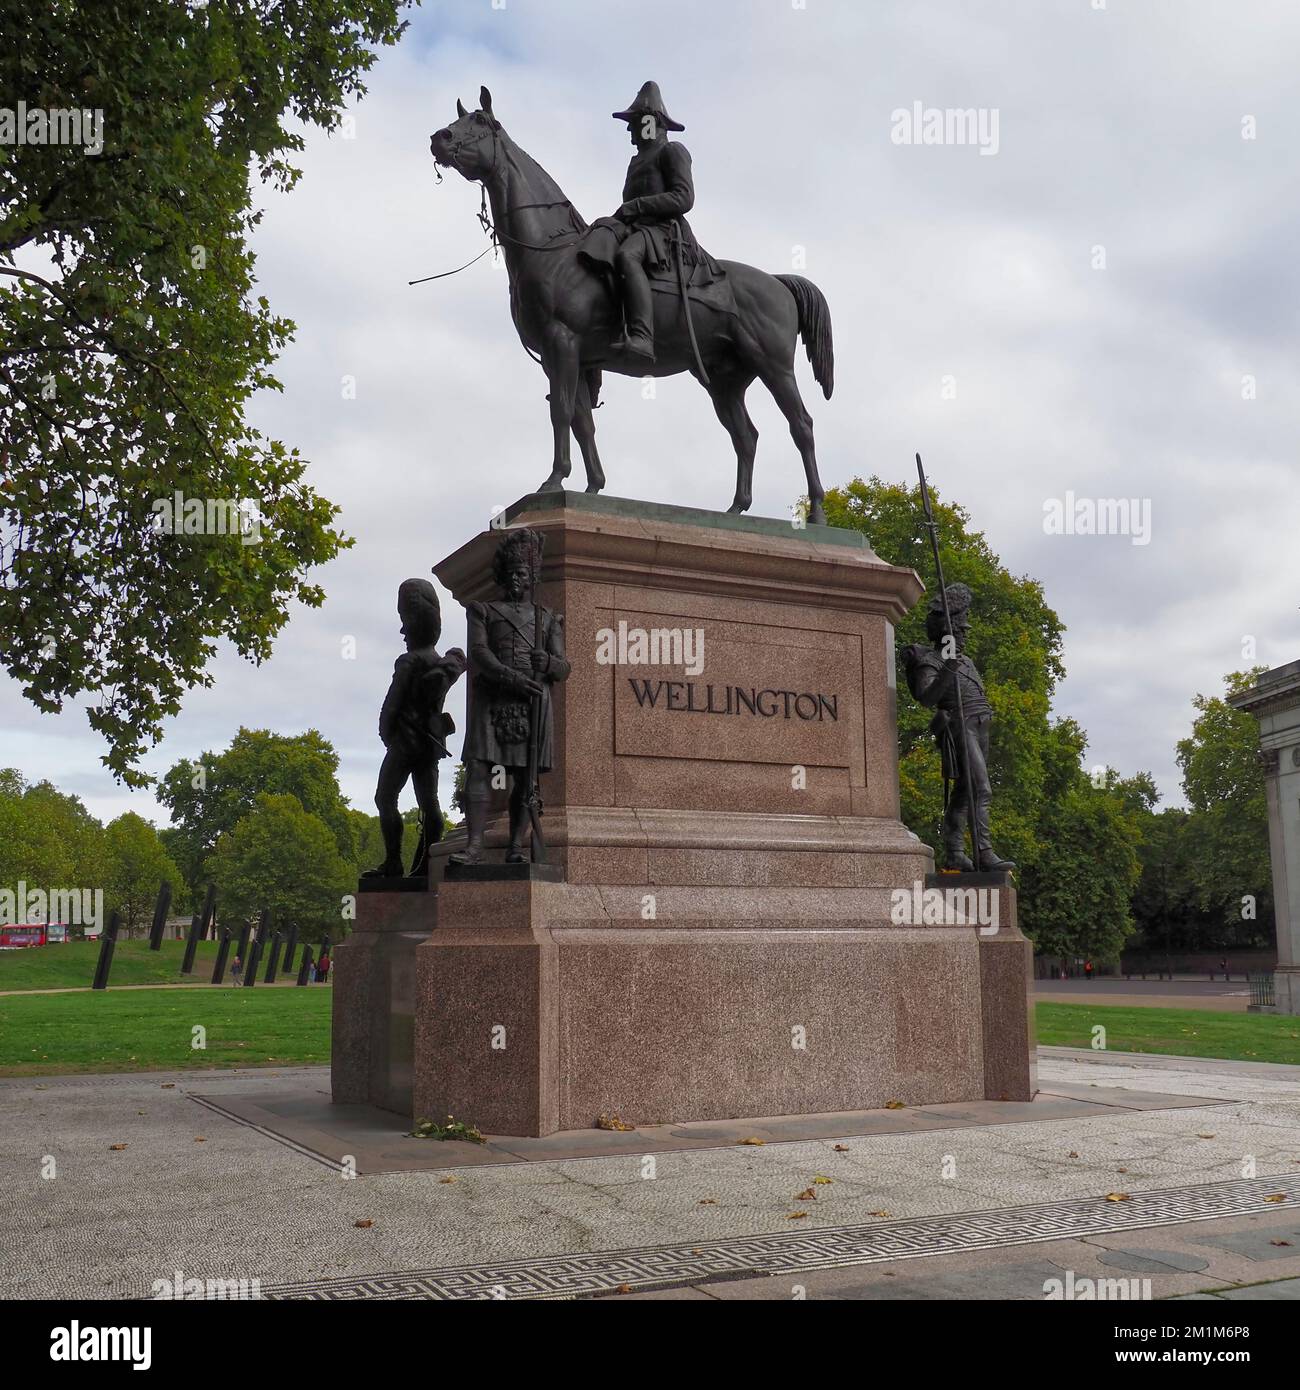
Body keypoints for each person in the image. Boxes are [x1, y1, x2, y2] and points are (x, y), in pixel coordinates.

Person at [450, 528, 570, 865]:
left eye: (522, 573)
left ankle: (516, 845)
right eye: (511, 573)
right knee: (477, 768)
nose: (516, 579)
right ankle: (474, 846)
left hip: (533, 702)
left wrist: (547, 662)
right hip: (495, 698)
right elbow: (479, 654)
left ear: (532, 577)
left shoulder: (547, 620)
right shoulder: (483, 612)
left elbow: (563, 667)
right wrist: (512, 678)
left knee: (525, 777)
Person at [577, 81, 721, 361]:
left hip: (664, 231)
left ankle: (642, 335)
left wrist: (637, 206)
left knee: (627, 256)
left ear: (649, 122)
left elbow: (683, 198)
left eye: (633, 123)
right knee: (597, 239)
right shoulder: (636, 162)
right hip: (636, 227)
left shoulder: (673, 151)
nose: (629, 130)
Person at [902, 584, 1015, 872]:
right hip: (959, 727)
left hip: (980, 727)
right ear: (948, 633)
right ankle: (984, 852)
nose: (966, 634)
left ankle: (955, 852)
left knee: (966, 792)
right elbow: (927, 698)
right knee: (981, 789)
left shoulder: (966, 660)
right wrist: (948, 668)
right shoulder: (931, 661)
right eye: (961, 631)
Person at [363, 579, 466, 878]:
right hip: (429, 744)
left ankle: (393, 862)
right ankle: (427, 865)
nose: (402, 630)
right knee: (429, 802)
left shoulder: (408, 661)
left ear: (413, 621)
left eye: (404, 621)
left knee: (385, 797)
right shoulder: (439, 663)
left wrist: (386, 734)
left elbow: (391, 705)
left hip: (404, 743)